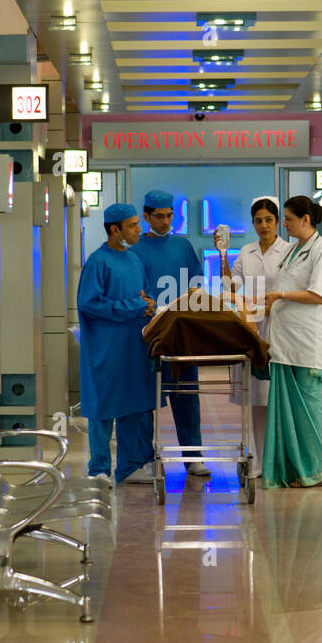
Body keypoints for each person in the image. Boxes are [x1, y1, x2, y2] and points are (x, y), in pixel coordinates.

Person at [261, 195, 322, 489]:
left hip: (308, 344)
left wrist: (281, 297)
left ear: (305, 219)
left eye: (290, 220)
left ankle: (316, 471)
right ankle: (294, 469)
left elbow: (318, 295)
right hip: (285, 343)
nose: (286, 225)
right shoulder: (295, 251)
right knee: (289, 413)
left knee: (308, 410)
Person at [77, 202, 158, 484]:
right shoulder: (98, 262)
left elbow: (143, 294)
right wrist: (135, 306)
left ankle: (130, 466)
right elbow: (89, 303)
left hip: (134, 345)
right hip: (106, 347)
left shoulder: (134, 260)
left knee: (132, 403)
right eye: (133, 225)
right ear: (116, 229)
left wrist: (149, 304)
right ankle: (99, 469)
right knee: (104, 406)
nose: (139, 230)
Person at [133, 189, 211, 477]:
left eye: (169, 216)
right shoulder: (136, 251)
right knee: (145, 398)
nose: (165, 222)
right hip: (151, 331)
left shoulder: (183, 246)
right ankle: (146, 458)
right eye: (159, 217)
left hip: (181, 331)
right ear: (146, 216)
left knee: (187, 395)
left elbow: (196, 284)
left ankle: (193, 457)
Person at [215, 196, 289, 477]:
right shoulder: (246, 252)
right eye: (258, 220)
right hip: (252, 328)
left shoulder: (288, 251)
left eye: (269, 220)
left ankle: (279, 458)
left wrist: (270, 306)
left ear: (278, 222)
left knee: (278, 397)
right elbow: (230, 285)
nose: (263, 225)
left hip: (280, 327)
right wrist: (223, 253)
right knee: (258, 398)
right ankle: (259, 460)